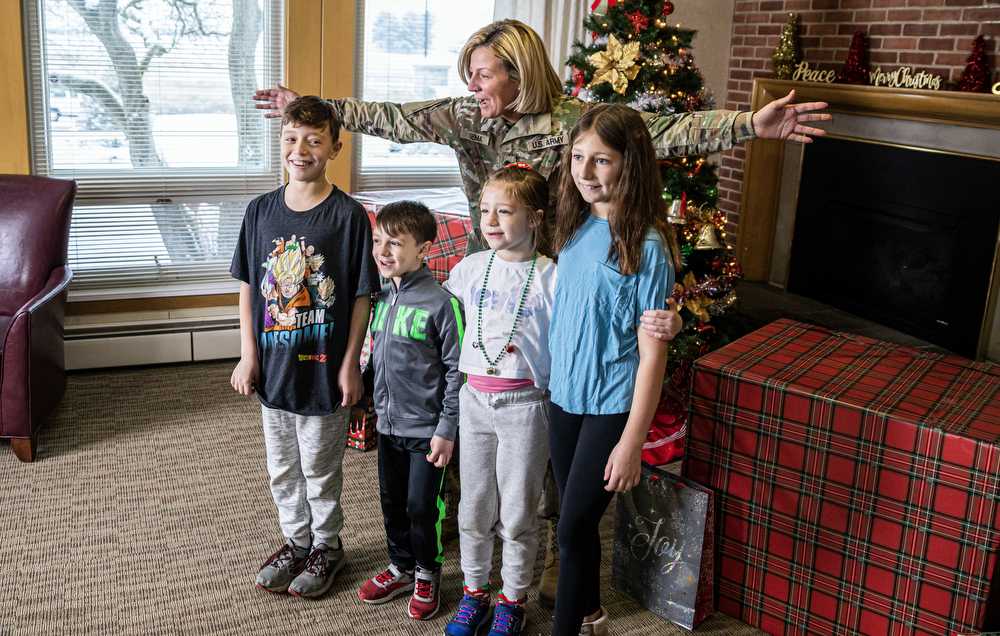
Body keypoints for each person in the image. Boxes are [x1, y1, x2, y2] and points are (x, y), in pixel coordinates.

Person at [252, 19, 831, 253]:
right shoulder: (463, 116)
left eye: (483, 74)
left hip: (554, 262)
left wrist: (750, 125)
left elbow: (663, 132)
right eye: (469, 75)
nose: (472, 84)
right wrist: (315, 108)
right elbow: (392, 117)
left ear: (517, 72)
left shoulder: (572, 119)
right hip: (488, 260)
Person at [230, 96, 380, 599]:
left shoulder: (348, 216)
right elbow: (250, 285)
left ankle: (327, 546)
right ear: (281, 142)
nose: (301, 149)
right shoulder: (260, 211)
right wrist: (248, 354)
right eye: (292, 138)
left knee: (319, 465)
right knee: (282, 467)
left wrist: (352, 363)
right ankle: (295, 541)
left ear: (334, 147)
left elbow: (362, 293)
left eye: (314, 140)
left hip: (322, 369)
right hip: (273, 367)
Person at [546, 103, 680, 636]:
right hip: (563, 397)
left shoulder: (647, 246)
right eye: (578, 158)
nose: (583, 172)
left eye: (601, 160)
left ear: (631, 163)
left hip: (612, 405)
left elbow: (653, 354)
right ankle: (593, 616)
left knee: (574, 525)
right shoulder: (574, 226)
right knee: (572, 525)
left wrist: (630, 442)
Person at [439, 164, 557, 636]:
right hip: (474, 402)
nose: (490, 220)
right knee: (474, 504)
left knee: (517, 509)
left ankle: (512, 598)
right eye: (484, 210)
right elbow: (441, 323)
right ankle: (475, 592)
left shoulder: (551, 276)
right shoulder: (469, 268)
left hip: (526, 407)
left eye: (504, 211)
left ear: (535, 218)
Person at [358, 201, 465, 621]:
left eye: (395, 243)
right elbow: (376, 356)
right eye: (378, 241)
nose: (384, 250)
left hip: (427, 431)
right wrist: (364, 398)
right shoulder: (381, 296)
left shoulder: (442, 303)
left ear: (424, 249)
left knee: (423, 506)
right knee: (392, 501)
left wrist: (447, 428)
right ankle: (400, 566)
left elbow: (459, 372)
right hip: (388, 426)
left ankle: (426, 572)